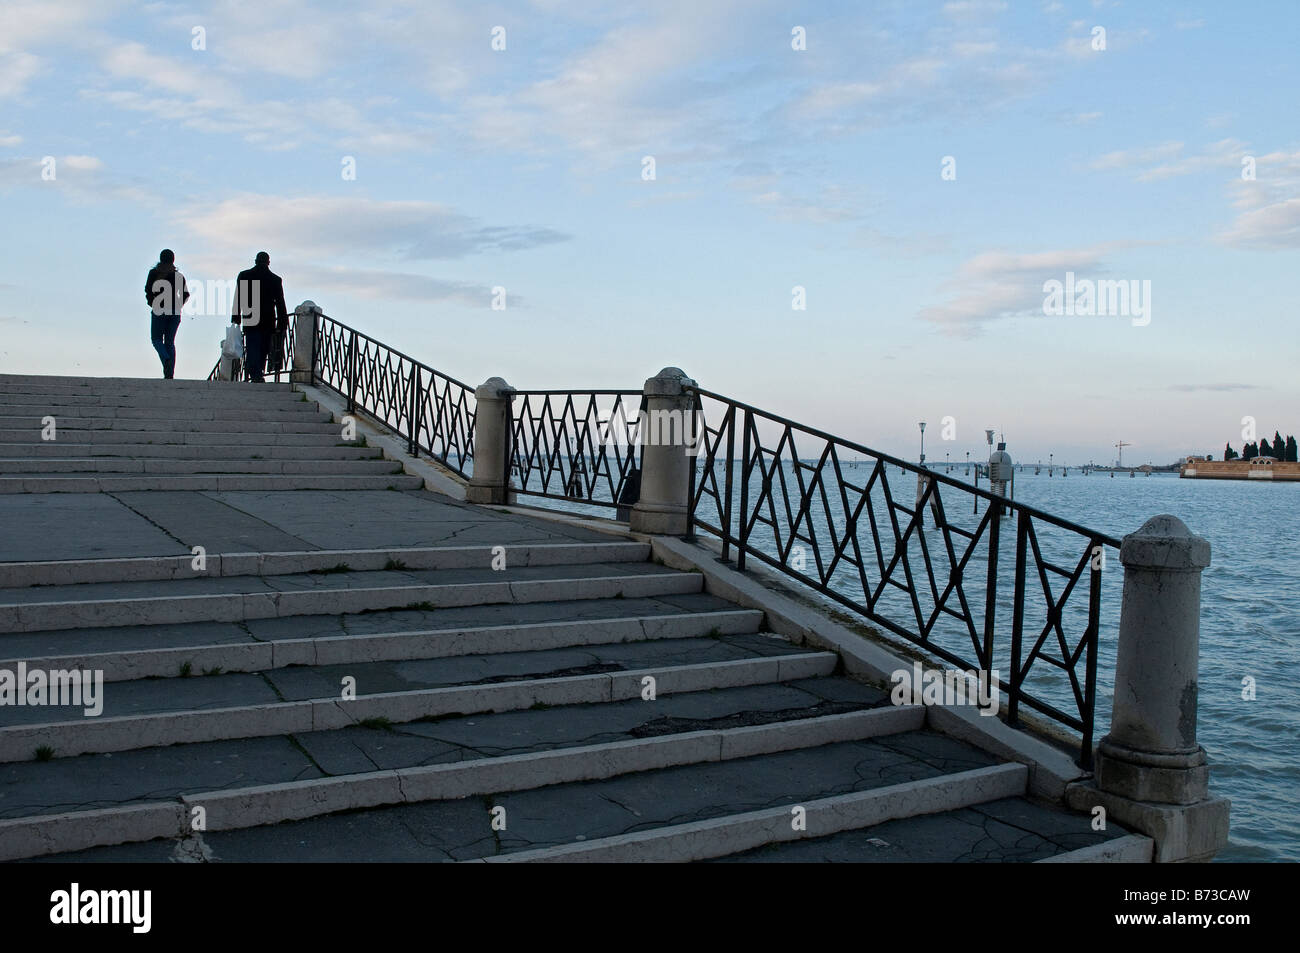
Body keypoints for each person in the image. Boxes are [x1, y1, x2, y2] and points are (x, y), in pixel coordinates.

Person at [230, 251, 288, 382]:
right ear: (268, 262)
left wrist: (236, 316)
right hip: (268, 318)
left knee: (252, 345)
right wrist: (282, 322)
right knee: (264, 347)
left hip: (251, 316)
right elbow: (280, 302)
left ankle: (255, 372)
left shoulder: (245, 275)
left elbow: (238, 297)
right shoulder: (275, 279)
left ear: (255, 261)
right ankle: (258, 372)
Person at [145, 249, 189, 378]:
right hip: (174, 312)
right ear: (173, 260)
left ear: (160, 259)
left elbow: (148, 290)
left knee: (156, 340)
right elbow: (185, 294)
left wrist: (152, 303)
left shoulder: (153, 273)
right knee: (170, 342)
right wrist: (178, 306)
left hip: (159, 310)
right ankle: (170, 373)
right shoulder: (178, 276)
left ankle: (166, 360)